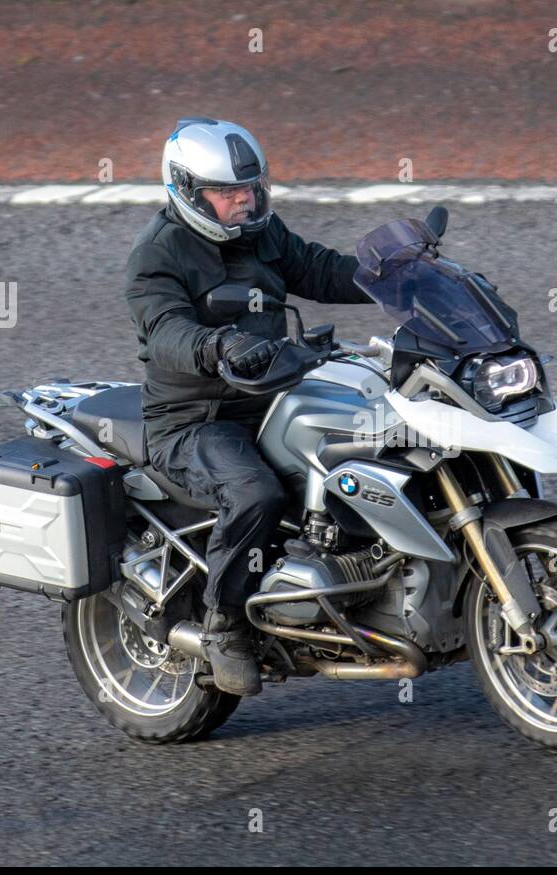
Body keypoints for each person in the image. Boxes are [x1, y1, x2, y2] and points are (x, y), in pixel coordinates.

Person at [125, 117, 371, 697]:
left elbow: (318, 268)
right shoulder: (157, 256)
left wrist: (399, 275)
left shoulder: (261, 231)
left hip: (273, 392)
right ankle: (224, 626)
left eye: (252, 188)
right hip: (197, 420)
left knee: (377, 434)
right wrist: (216, 344)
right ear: (187, 190)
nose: (244, 201)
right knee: (255, 492)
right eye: (228, 191)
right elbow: (164, 332)